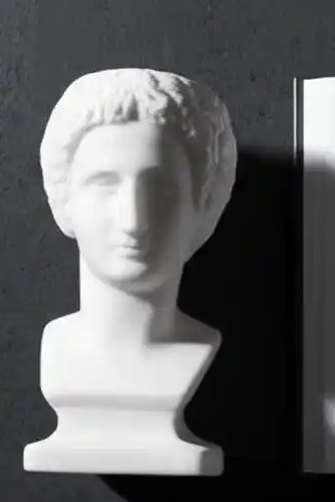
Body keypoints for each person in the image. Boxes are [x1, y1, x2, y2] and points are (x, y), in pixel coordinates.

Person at [24, 68, 237, 475]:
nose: (133, 219)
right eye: (104, 184)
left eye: (160, 189)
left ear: (202, 206)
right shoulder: (58, 351)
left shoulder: (198, 348)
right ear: (64, 199)